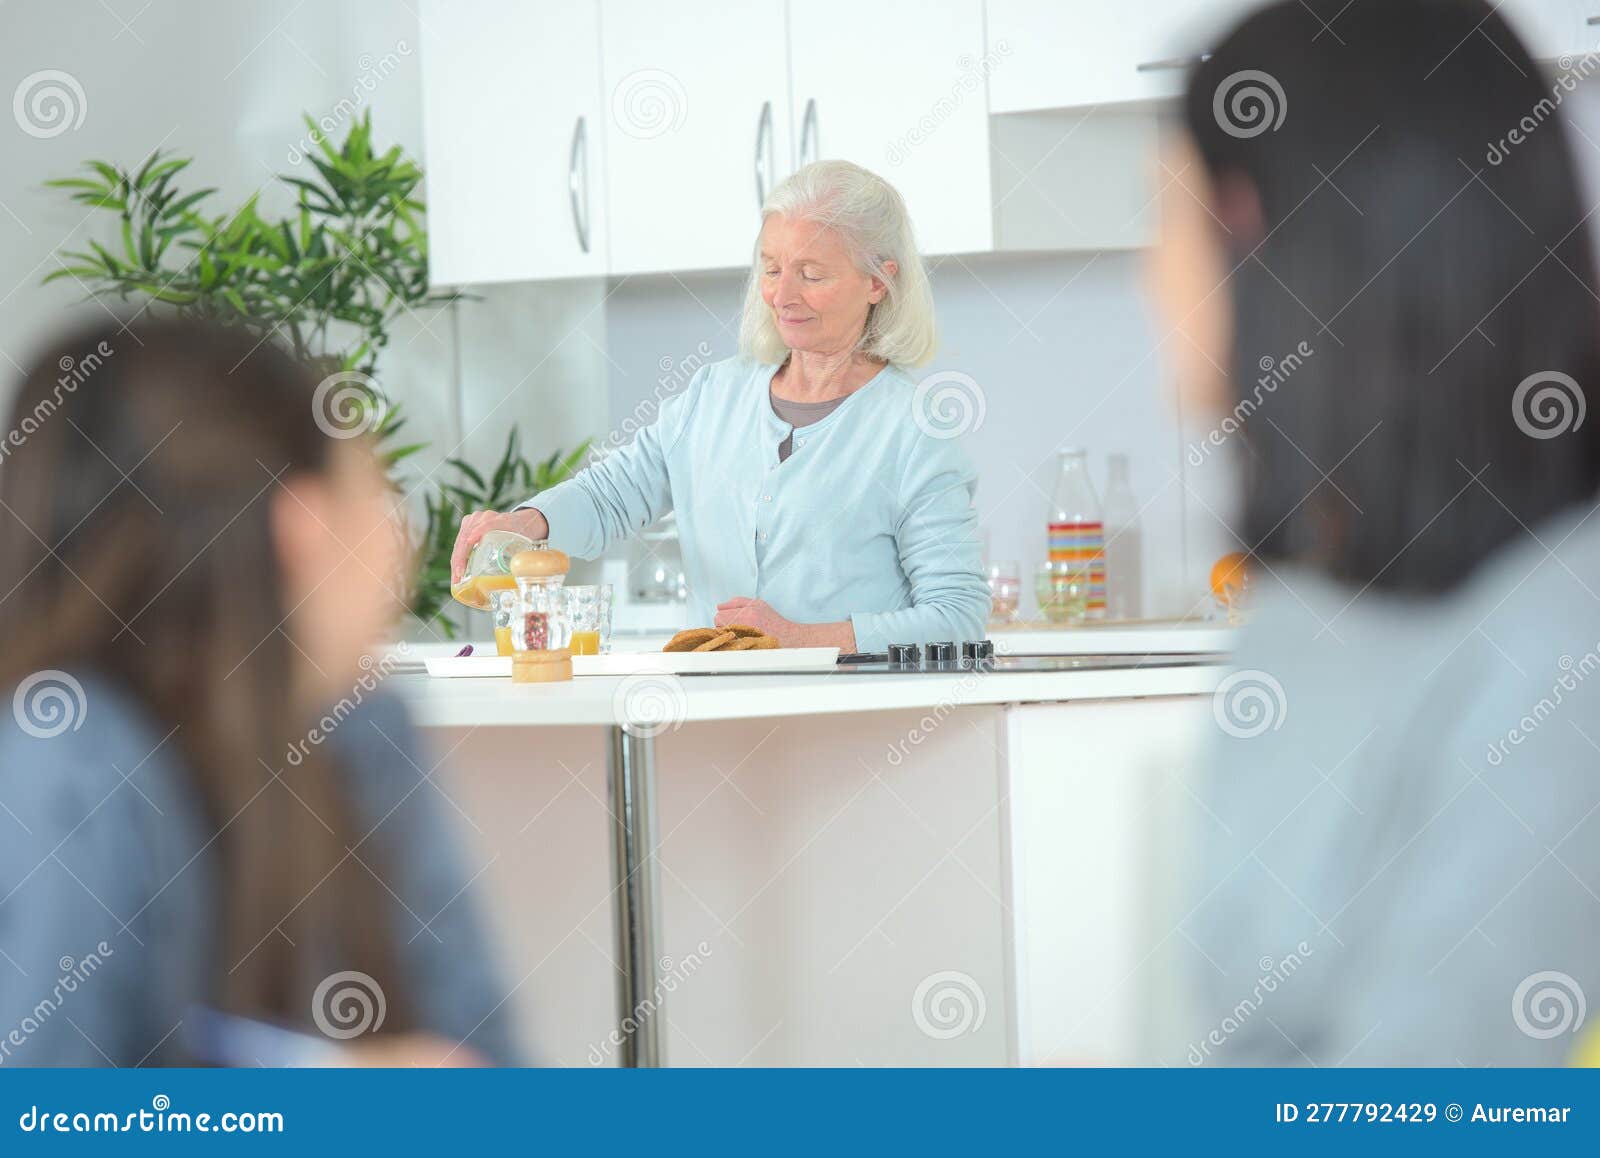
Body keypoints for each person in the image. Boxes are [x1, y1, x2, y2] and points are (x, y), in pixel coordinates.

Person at [1149, 0, 1600, 1064]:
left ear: (1258, 230)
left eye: (1159, 224)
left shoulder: (1560, 643)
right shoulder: (1305, 606)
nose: (1146, 281)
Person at [0, 318, 517, 1066]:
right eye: (378, 494)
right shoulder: (74, 762)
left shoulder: (364, 737)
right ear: (302, 531)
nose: (404, 545)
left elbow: (498, 1074)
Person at [451, 160, 990, 651]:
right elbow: (612, 494)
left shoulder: (914, 429)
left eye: (812, 273)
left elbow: (956, 617)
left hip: (852, 717)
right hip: (716, 712)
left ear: (878, 280)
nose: (783, 295)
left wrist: (802, 638)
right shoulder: (713, 395)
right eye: (772, 269)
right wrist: (526, 524)